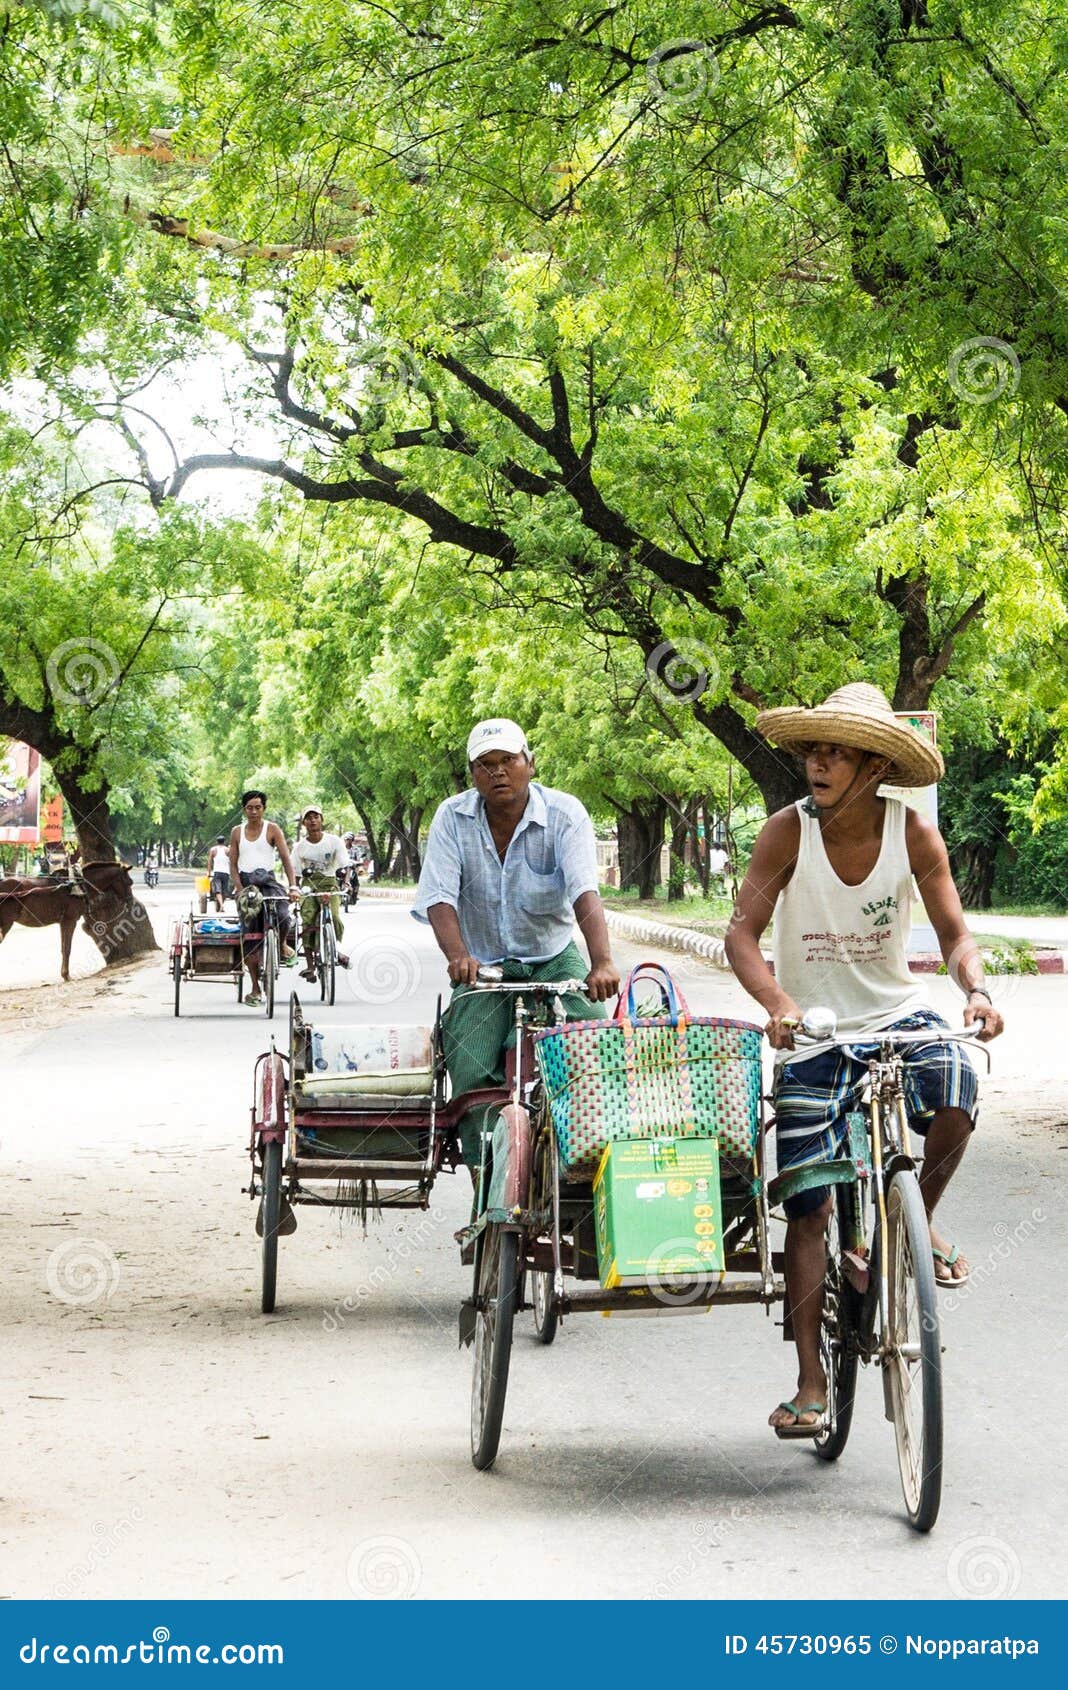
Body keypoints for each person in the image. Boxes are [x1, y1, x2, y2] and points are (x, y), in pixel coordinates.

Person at [724, 682, 1003, 1438]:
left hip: (893, 1010)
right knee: (810, 1204)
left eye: (836, 751)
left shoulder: (913, 835)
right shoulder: (787, 832)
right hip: (813, 1029)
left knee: (955, 1080)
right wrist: (778, 1005)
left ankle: (917, 1225)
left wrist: (975, 990)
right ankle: (812, 1383)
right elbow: (740, 937)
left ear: (874, 766)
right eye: (813, 749)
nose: (818, 762)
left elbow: (954, 936)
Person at [414, 717, 621, 1172]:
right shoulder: (452, 816)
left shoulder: (565, 814)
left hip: (552, 958)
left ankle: (585, 1180)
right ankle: (487, 1187)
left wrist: (601, 962)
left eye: (507, 760)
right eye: (485, 765)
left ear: (529, 763)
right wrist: (458, 957)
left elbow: (584, 890)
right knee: (467, 1066)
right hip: (484, 967)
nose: (497, 772)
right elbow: (438, 897)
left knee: (595, 1056)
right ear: (473, 776)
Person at [228, 790, 299, 1006]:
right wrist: (239, 887)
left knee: (284, 915)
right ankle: (255, 988)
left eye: (258, 807)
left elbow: (286, 859)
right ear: (244, 810)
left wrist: (293, 886)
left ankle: (282, 945)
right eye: (249, 807)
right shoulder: (237, 832)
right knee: (250, 936)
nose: (254, 811)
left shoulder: (272, 829)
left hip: (269, 883)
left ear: (264, 808)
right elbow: (233, 863)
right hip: (247, 885)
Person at [290, 806, 351, 979]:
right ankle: (310, 966)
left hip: (329, 884)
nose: (313, 820)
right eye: (308, 818)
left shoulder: (334, 841)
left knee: (333, 916)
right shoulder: (299, 847)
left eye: (316, 816)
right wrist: (294, 888)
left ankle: (333, 949)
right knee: (307, 920)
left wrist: (346, 882)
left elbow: (344, 865)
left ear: (321, 819)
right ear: (304, 823)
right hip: (309, 885)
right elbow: (294, 872)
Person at [207, 836, 232, 911]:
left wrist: (208, 872)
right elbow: (231, 861)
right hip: (226, 872)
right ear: (224, 841)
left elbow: (209, 862)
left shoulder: (213, 850)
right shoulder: (228, 850)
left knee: (218, 890)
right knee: (224, 890)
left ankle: (221, 905)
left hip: (217, 872)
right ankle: (222, 905)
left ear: (216, 841)